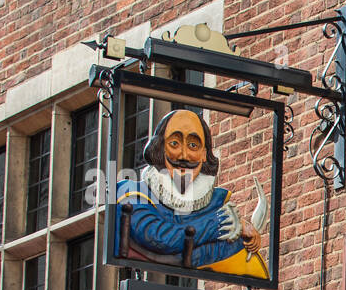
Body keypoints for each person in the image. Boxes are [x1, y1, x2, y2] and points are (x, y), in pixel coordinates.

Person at [115, 109, 269, 278]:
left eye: (193, 145)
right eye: (174, 143)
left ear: (204, 154)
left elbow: (186, 252)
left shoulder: (216, 203)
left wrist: (240, 232)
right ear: (159, 148)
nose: (184, 155)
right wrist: (224, 224)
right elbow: (162, 239)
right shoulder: (131, 194)